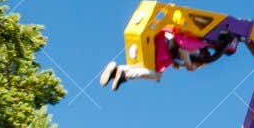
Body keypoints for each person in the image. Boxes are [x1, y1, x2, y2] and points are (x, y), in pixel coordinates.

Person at [99, 28, 239, 91]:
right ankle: (124, 73)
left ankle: (118, 70)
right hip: (163, 44)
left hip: (161, 45)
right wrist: (189, 65)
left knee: (149, 70)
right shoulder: (200, 45)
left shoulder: (198, 44)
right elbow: (183, 49)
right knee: (156, 74)